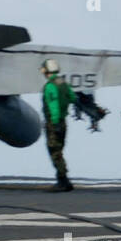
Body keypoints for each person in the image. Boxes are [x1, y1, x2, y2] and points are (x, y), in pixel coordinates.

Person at [40, 59, 76, 191]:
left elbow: (53, 105)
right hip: (63, 122)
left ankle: (63, 181)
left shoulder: (50, 86)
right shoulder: (63, 83)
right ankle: (64, 179)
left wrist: (54, 123)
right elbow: (72, 97)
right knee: (59, 151)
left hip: (54, 123)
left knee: (55, 152)